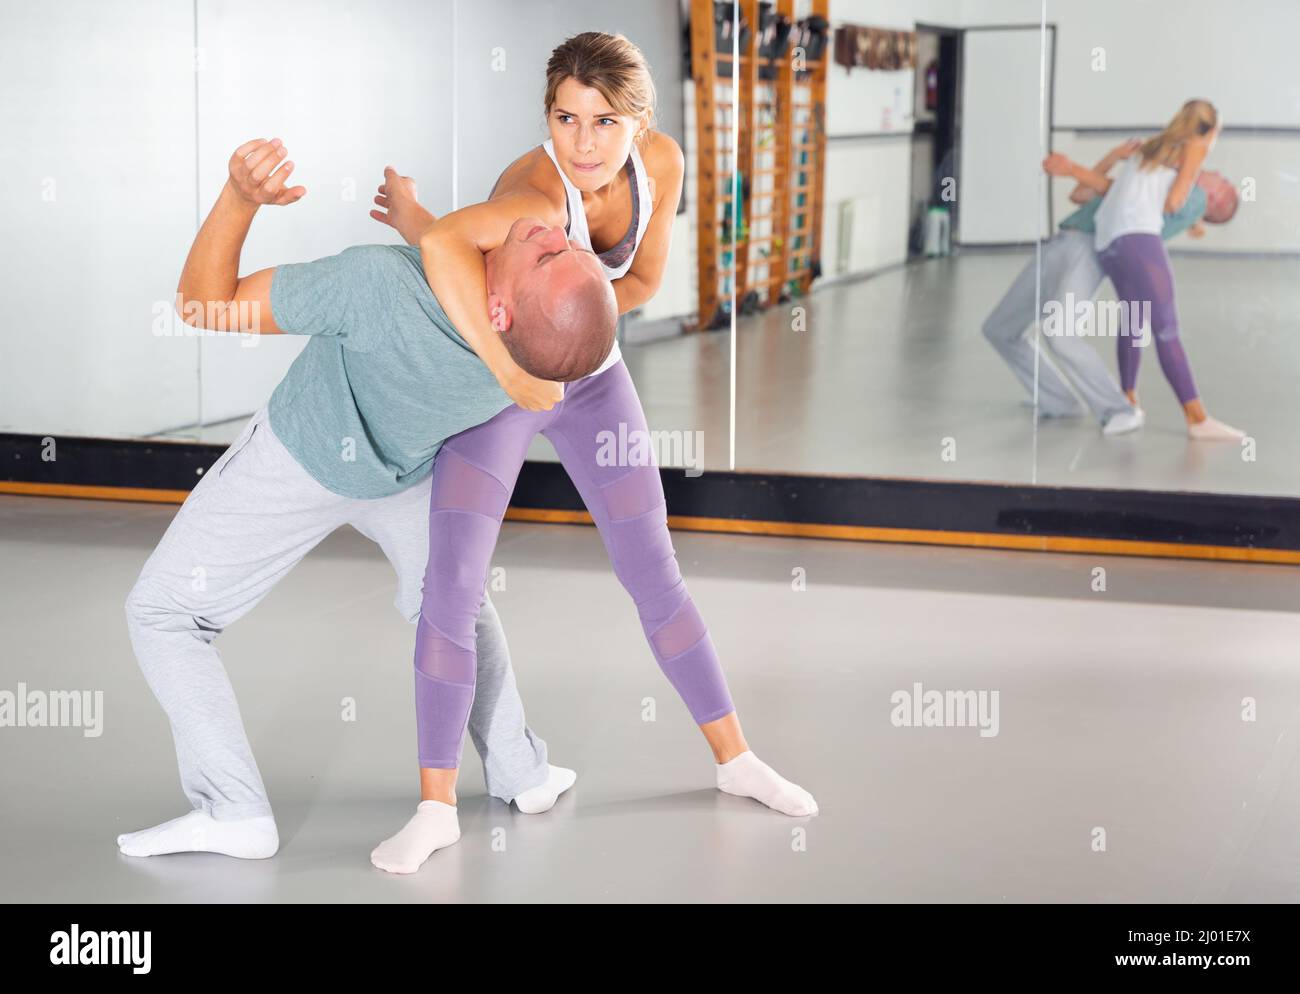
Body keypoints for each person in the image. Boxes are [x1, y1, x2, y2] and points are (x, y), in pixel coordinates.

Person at [367, 31, 818, 876]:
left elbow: (642, 285)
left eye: (604, 123)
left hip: (597, 379)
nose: (582, 143)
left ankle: (736, 760)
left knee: (655, 573)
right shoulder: (533, 188)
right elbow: (444, 253)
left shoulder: (665, 165)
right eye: (565, 119)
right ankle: (434, 808)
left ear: (640, 125)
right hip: (499, 388)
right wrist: (510, 357)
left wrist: (571, 325)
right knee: (451, 590)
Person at [117, 135, 616, 861]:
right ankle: (521, 770)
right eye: (570, 246)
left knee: (160, 613)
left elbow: (204, 304)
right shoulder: (532, 369)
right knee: (456, 606)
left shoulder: (379, 285)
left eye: (546, 256)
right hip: (403, 473)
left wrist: (240, 198)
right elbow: (471, 278)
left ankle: (234, 810)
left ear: (502, 311)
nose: (550, 229)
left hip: (298, 458)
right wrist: (421, 219)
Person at [985, 137, 1238, 435]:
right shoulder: (1158, 184)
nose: (1218, 173)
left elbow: (1111, 190)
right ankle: (1059, 401)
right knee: (1000, 329)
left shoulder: (1192, 199)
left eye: (1223, 181)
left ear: (1217, 198)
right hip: (1062, 242)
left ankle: (1118, 409)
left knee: (1060, 334)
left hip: (1086, 247)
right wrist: (1114, 155)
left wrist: (1071, 167)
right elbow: (1080, 196)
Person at [1043, 99, 1244, 440]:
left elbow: (1118, 192)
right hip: (1139, 241)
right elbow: (1174, 202)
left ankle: (1128, 398)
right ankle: (1197, 419)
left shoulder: (1149, 147)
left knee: (1134, 323)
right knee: (1166, 330)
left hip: (1109, 243)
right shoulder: (1195, 147)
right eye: (1217, 134)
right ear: (1207, 131)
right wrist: (1184, 188)